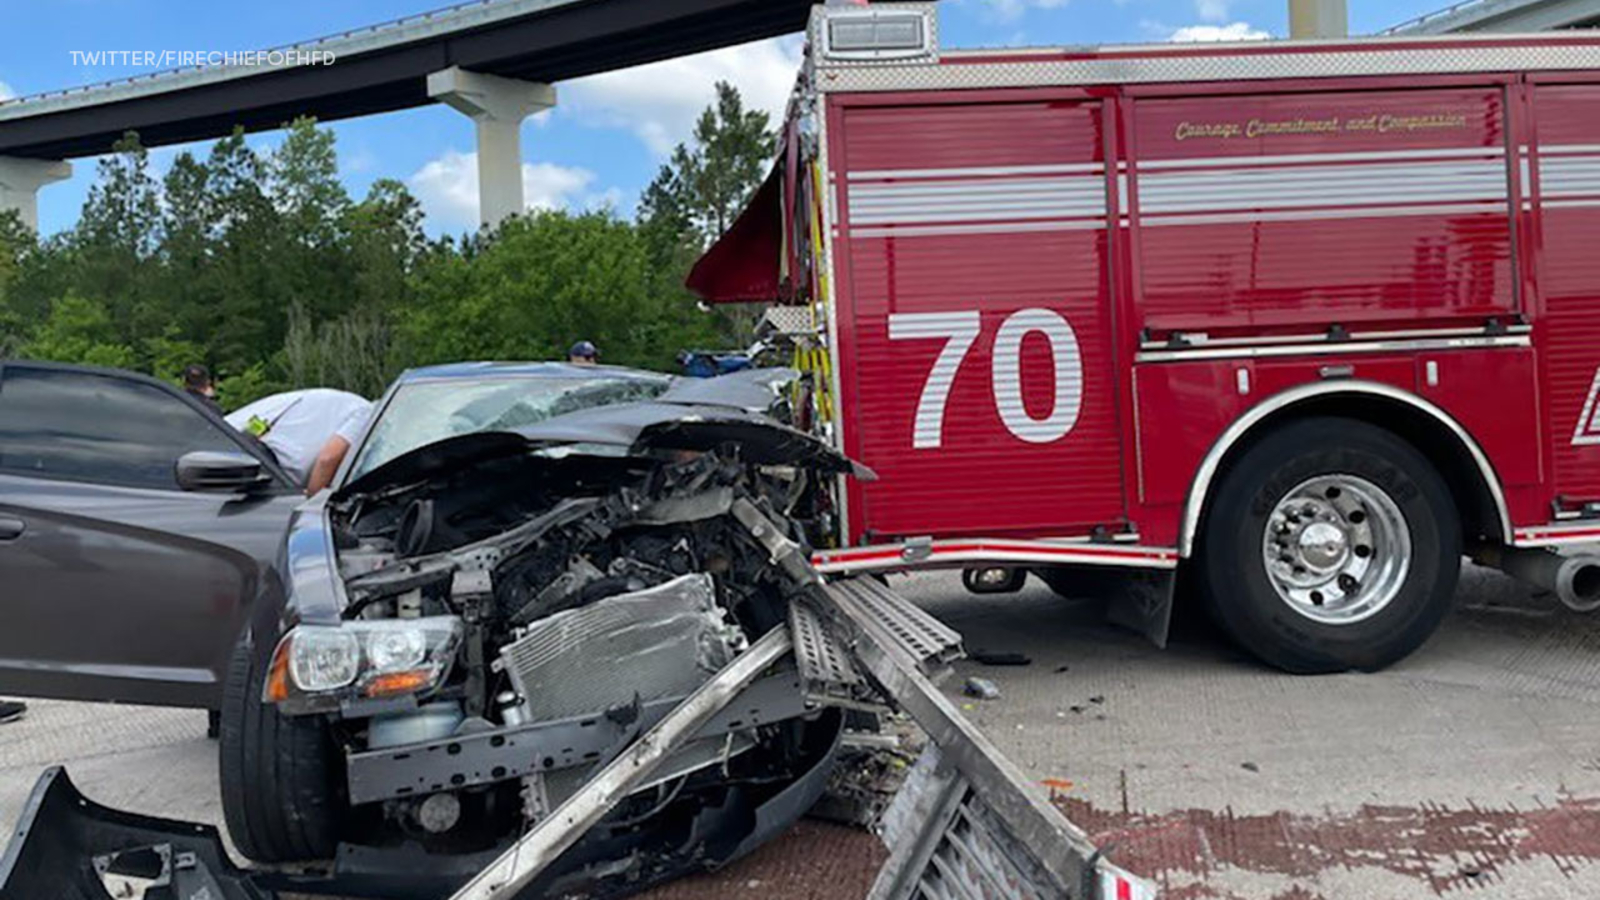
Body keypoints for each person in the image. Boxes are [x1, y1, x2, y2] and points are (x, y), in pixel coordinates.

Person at [224, 388, 371, 490]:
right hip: (248, 459)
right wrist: (313, 505)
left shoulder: (343, 403)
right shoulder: (366, 413)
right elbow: (329, 458)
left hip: (245, 452)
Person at [304, 404, 372, 496]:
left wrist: (313, 503)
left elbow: (328, 459)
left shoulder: (366, 413)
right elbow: (328, 459)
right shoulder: (367, 413)